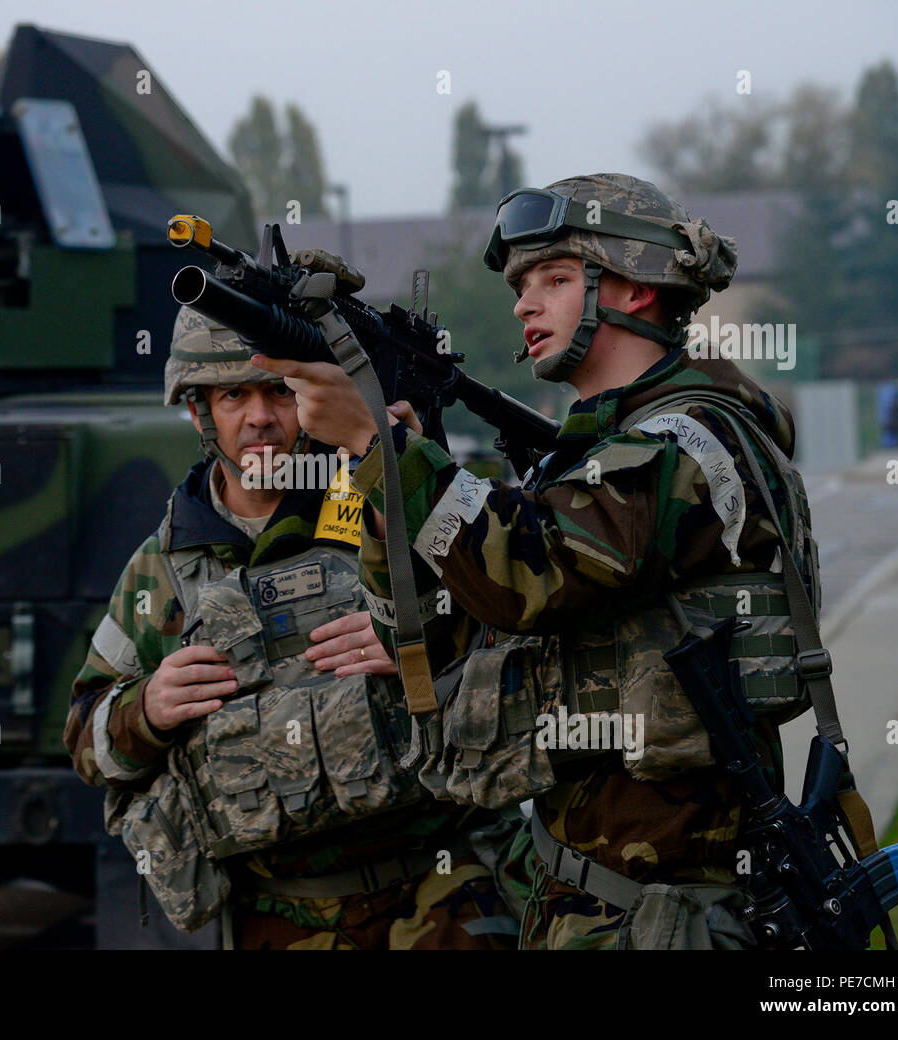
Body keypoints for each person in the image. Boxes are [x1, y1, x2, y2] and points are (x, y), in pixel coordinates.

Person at [253, 173, 823, 950]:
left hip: (665, 917)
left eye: (553, 279)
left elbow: (528, 577)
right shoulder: (600, 454)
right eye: (523, 285)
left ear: (634, 288)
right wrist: (390, 466)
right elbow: (448, 629)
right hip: (590, 900)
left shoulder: (690, 445)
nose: (523, 304)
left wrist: (378, 446)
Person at [63, 305, 515, 950]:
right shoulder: (161, 569)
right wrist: (148, 709)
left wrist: (422, 640)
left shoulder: (385, 500)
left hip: (441, 895)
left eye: (279, 390)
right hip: (276, 917)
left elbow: (523, 631)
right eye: (232, 395)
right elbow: (84, 738)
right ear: (199, 414)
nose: (259, 418)